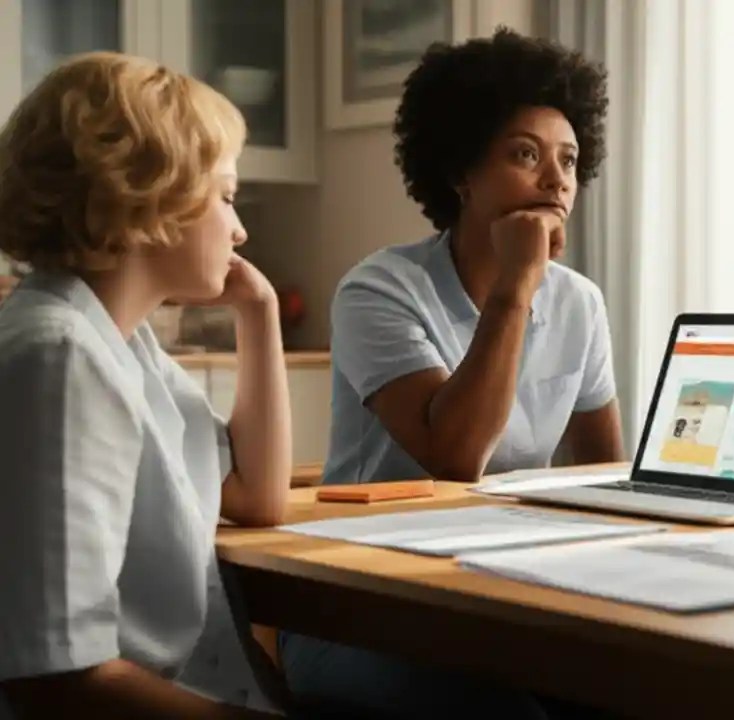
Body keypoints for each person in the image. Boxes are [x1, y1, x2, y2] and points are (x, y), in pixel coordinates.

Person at [278, 28, 622, 718]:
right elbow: (458, 453)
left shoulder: (580, 302)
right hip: (359, 608)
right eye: (525, 155)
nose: (556, 180)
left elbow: (606, 476)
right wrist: (519, 283)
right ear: (461, 172)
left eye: (569, 160)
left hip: (504, 592)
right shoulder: (378, 290)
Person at [0, 52, 292, 718]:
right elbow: (56, 680)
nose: (240, 228)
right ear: (149, 198)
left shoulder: (121, 341)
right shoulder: (61, 357)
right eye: (225, 197)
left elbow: (256, 497)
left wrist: (259, 308)